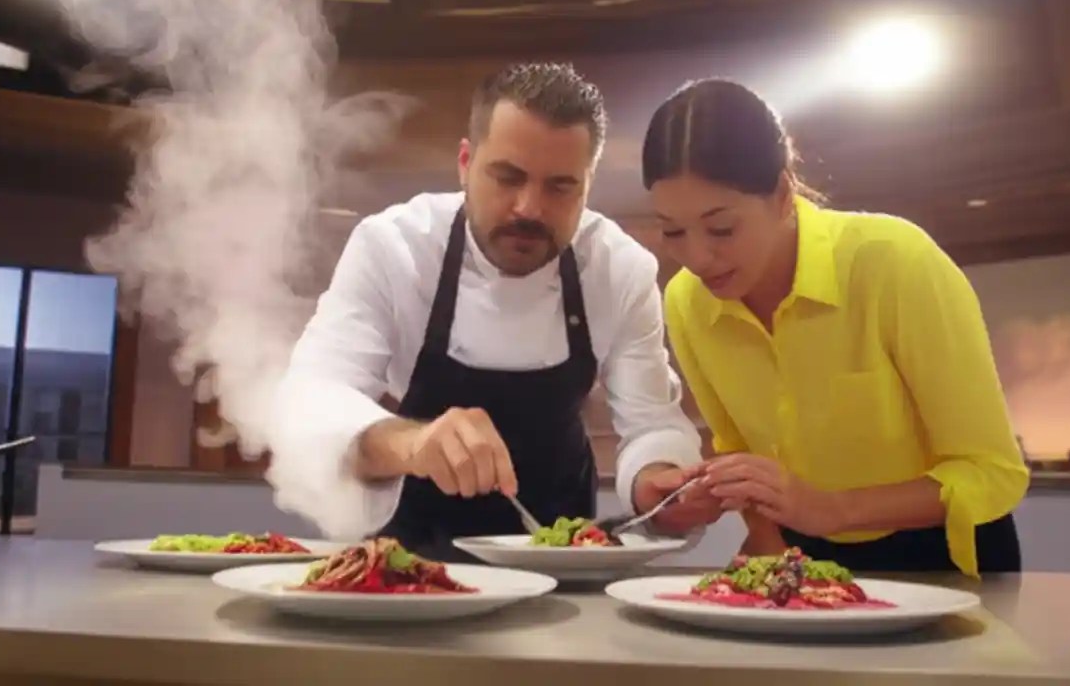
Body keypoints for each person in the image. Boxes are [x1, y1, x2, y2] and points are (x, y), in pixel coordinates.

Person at [276, 62, 720, 559]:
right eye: (507, 177)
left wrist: (660, 485)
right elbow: (310, 404)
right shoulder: (394, 248)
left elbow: (651, 422)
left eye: (560, 186)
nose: (529, 208)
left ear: (587, 186)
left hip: (562, 573)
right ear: (465, 163)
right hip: (407, 573)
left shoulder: (618, 269)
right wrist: (412, 445)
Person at [642, 78, 1029, 576]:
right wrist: (750, 524)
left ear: (782, 193)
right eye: (672, 231)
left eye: (722, 229)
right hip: (800, 555)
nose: (695, 257)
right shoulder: (687, 301)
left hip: (945, 558)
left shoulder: (893, 262)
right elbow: (739, 451)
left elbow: (992, 473)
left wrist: (833, 509)